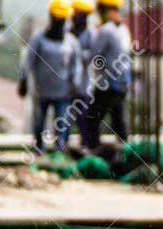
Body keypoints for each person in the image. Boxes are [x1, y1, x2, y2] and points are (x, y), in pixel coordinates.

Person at [19, 1, 83, 155]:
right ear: (51, 18)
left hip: (63, 93)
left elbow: (76, 65)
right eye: (57, 18)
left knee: (61, 125)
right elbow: (28, 61)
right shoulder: (38, 39)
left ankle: (58, 154)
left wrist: (75, 85)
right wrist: (23, 80)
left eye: (62, 19)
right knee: (39, 124)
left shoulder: (71, 42)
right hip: (41, 92)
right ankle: (38, 152)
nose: (59, 22)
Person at [83, 0, 133, 148]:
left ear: (105, 11)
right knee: (118, 120)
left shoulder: (105, 30)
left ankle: (93, 152)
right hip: (123, 82)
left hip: (107, 84)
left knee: (92, 118)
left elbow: (93, 54)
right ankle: (124, 152)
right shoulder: (123, 30)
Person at [65, 0, 98, 150]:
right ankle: (63, 145)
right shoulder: (67, 32)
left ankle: (85, 145)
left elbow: (93, 54)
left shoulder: (91, 33)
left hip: (84, 85)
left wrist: (76, 55)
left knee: (83, 117)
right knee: (65, 118)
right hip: (67, 85)